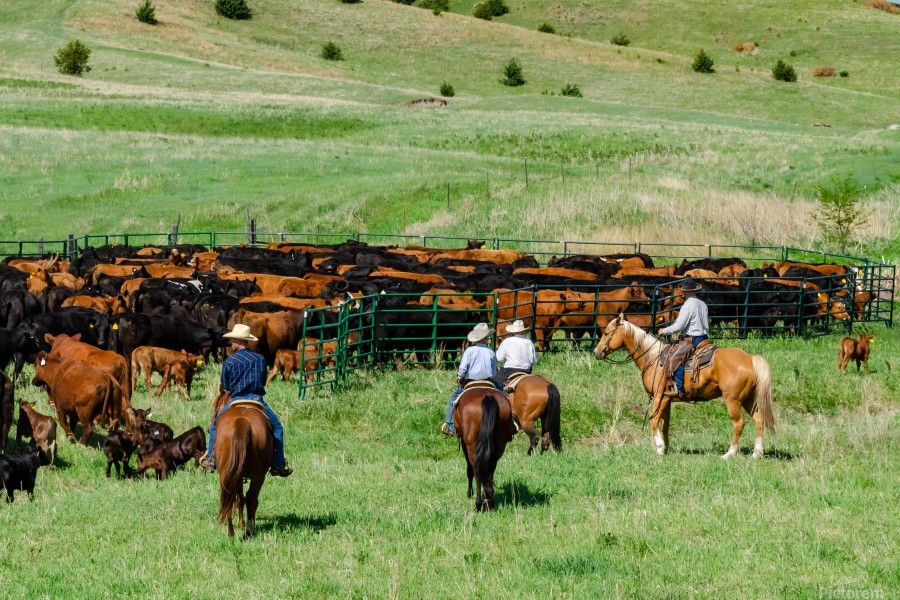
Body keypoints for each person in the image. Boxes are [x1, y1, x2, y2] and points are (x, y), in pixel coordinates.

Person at [199, 324, 293, 477]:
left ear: (239, 341)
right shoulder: (260, 359)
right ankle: (277, 463)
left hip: (235, 400)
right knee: (277, 428)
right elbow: (263, 381)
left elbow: (226, 385)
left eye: (233, 340)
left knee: (215, 426)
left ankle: (211, 459)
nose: (231, 343)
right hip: (256, 399)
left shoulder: (229, 362)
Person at [441, 323, 497, 436]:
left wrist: (459, 378)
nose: (489, 339)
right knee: (504, 395)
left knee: (453, 399)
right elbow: (494, 372)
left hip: (471, 381)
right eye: (488, 337)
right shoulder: (491, 352)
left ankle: (451, 425)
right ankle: (510, 421)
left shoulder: (469, 351)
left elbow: (463, 368)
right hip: (488, 380)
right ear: (486, 339)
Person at [658, 278, 709, 398]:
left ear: (685, 292)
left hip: (692, 339)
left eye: (682, 291)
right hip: (704, 337)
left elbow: (679, 325)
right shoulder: (702, 304)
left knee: (673, 359)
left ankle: (679, 389)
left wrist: (663, 330)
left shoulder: (688, 305)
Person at [492, 320, 537, 390]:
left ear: (513, 331)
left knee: (493, 383)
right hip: (526, 371)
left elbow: (499, 358)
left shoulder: (507, 341)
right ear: (523, 331)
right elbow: (533, 361)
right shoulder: (529, 342)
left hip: (509, 371)